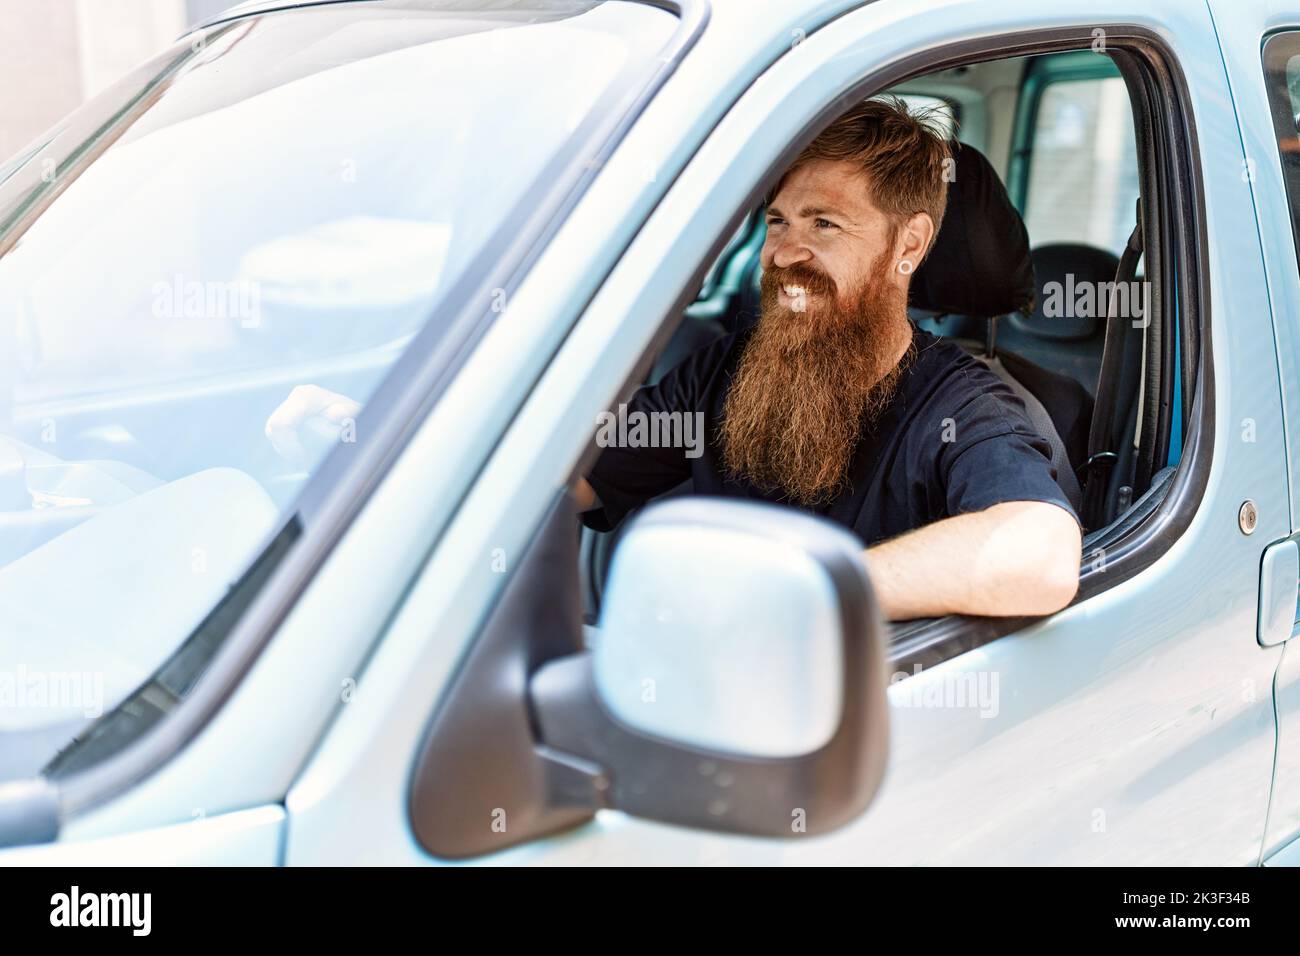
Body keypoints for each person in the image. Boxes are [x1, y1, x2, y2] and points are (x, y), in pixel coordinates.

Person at [268, 97, 1082, 621]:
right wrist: (374, 439)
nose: (787, 253)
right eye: (777, 222)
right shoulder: (729, 371)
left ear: (910, 246)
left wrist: (798, 594)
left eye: (825, 226)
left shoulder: (969, 407)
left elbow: (1036, 556)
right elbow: (571, 473)